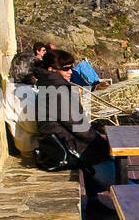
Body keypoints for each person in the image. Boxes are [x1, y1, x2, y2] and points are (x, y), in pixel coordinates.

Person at [32, 49, 119, 201]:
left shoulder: (50, 85)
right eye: (66, 68)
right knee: (97, 149)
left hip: (60, 139)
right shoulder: (56, 90)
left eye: (71, 67)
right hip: (64, 144)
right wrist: (97, 140)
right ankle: (122, 185)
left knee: (97, 145)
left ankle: (97, 197)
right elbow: (76, 124)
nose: (70, 71)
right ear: (51, 69)